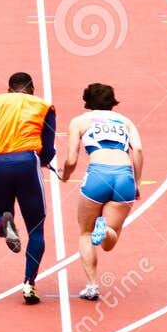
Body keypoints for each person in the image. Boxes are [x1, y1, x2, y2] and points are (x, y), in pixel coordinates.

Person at [0, 72, 56, 305]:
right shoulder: (44, 106)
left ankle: (4, 226)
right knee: (36, 229)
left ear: (9, 90)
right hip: (27, 162)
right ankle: (29, 284)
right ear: (32, 90)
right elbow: (48, 144)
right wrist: (46, 159)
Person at [58, 83, 143, 301]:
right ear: (112, 101)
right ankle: (105, 230)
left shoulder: (79, 122)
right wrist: (137, 182)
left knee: (86, 233)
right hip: (124, 176)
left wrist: (65, 175)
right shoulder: (126, 121)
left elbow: (72, 159)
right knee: (109, 243)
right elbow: (139, 150)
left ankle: (92, 286)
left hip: (97, 175)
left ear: (87, 100)